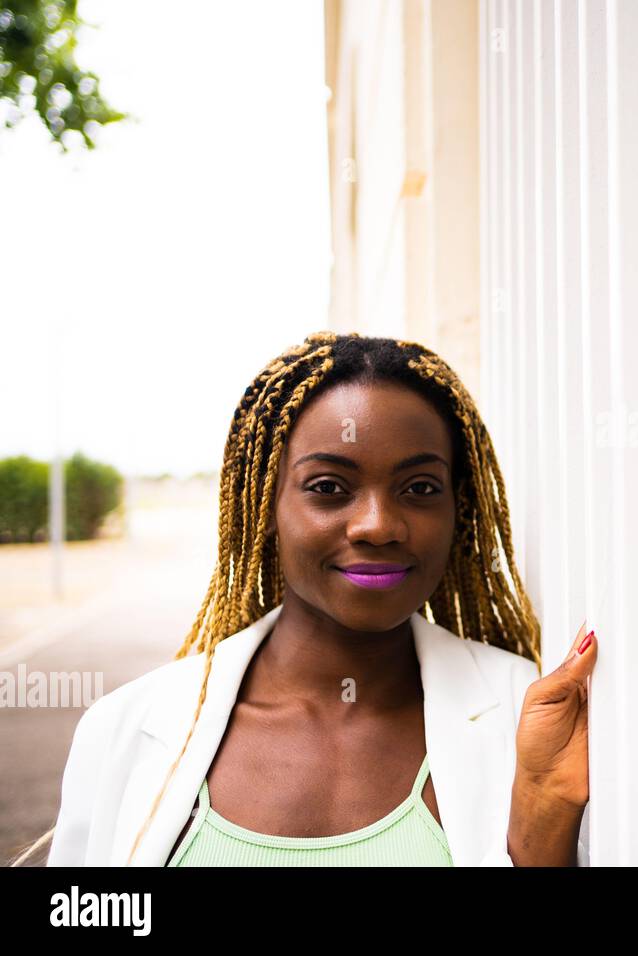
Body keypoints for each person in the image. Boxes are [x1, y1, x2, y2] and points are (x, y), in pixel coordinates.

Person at [11, 331, 594, 866]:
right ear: (265, 507)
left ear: (457, 511)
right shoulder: (126, 728)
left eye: (419, 488)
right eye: (329, 487)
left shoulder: (525, 718)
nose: (377, 525)